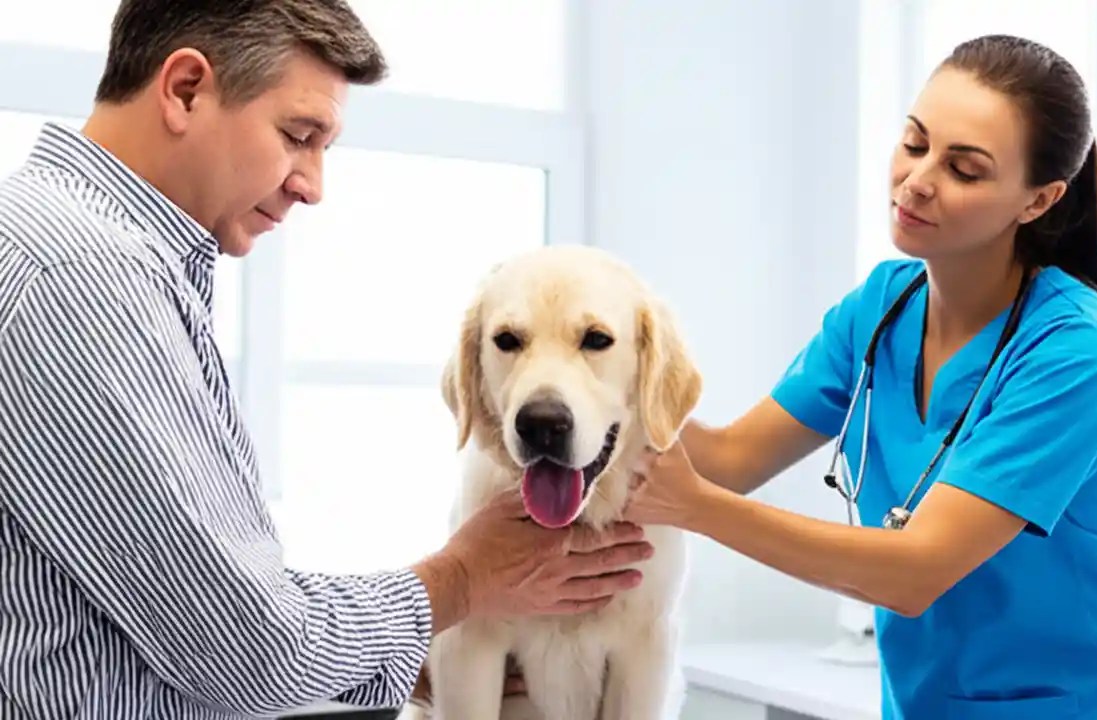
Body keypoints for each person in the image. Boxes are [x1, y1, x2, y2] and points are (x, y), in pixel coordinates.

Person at [0, 1, 650, 718]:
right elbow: (247, 651)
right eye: (297, 136)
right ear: (185, 89)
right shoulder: (85, 279)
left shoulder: (58, 245)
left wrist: (400, 665)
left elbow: (144, 618)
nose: (312, 185)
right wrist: (460, 580)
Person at [623, 34, 1097, 720]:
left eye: (964, 169)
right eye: (914, 143)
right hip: (923, 702)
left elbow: (915, 572)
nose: (918, 180)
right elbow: (729, 458)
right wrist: (601, 390)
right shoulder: (882, 307)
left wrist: (694, 506)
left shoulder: (1078, 351)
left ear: (1039, 200)